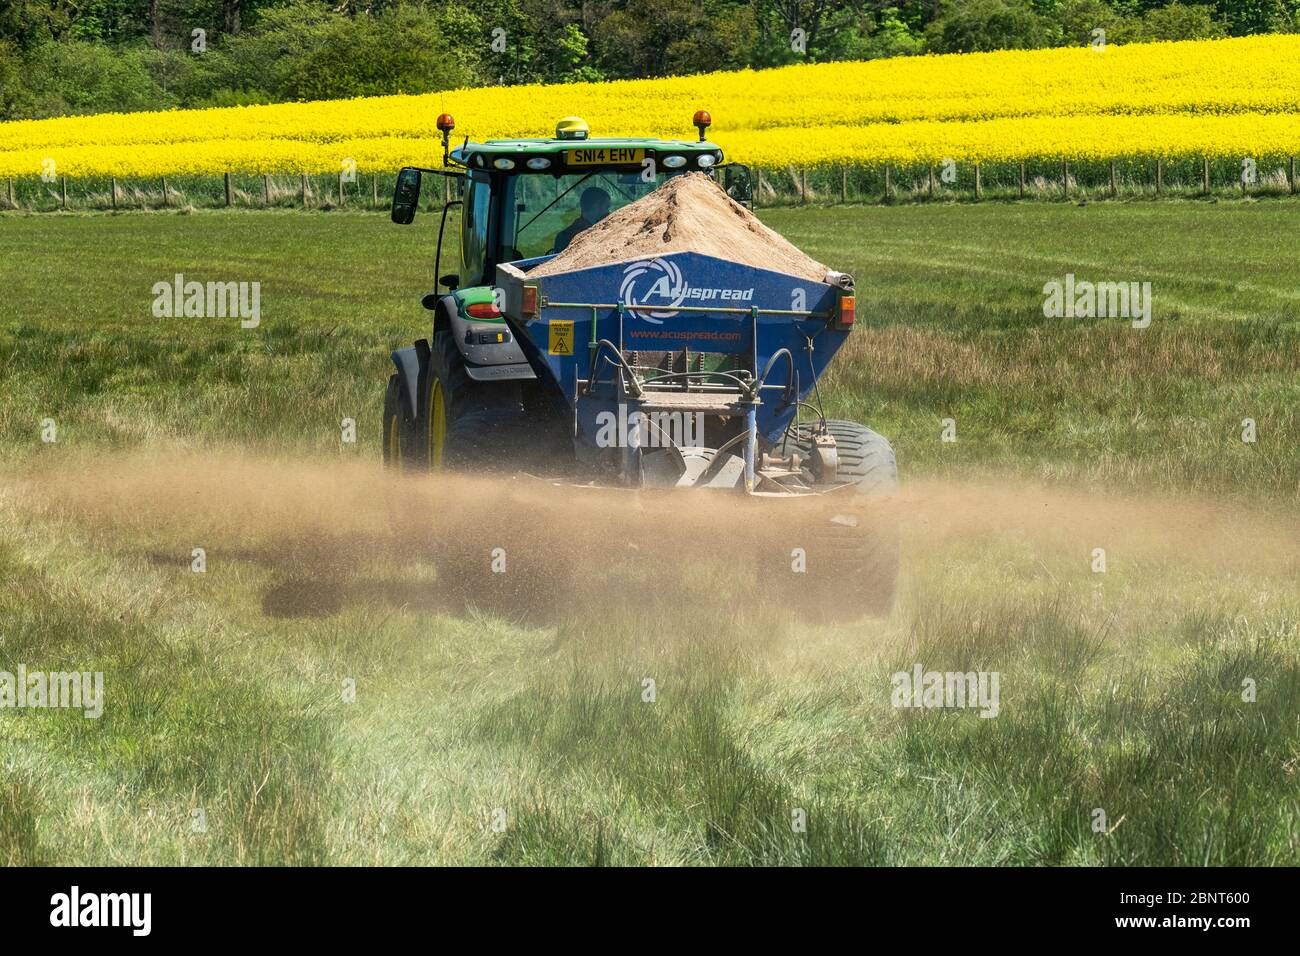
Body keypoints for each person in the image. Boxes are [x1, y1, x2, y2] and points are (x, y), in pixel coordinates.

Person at [552, 187, 611, 253]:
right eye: (606, 207)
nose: (609, 213)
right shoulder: (601, 236)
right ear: (596, 207)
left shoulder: (563, 236)